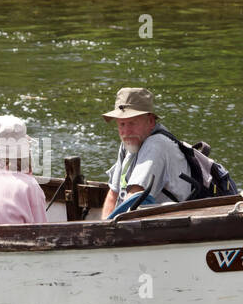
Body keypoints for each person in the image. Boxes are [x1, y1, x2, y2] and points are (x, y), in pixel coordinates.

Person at [99, 86, 235, 217]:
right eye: (122, 124)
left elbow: (134, 197)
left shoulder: (156, 144)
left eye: (132, 123)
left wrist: (106, 233)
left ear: (151, 121)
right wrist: (104, 225)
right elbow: (113, 194)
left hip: (178, 223)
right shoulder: (128, 144)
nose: (126, 132)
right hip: (145, 220)